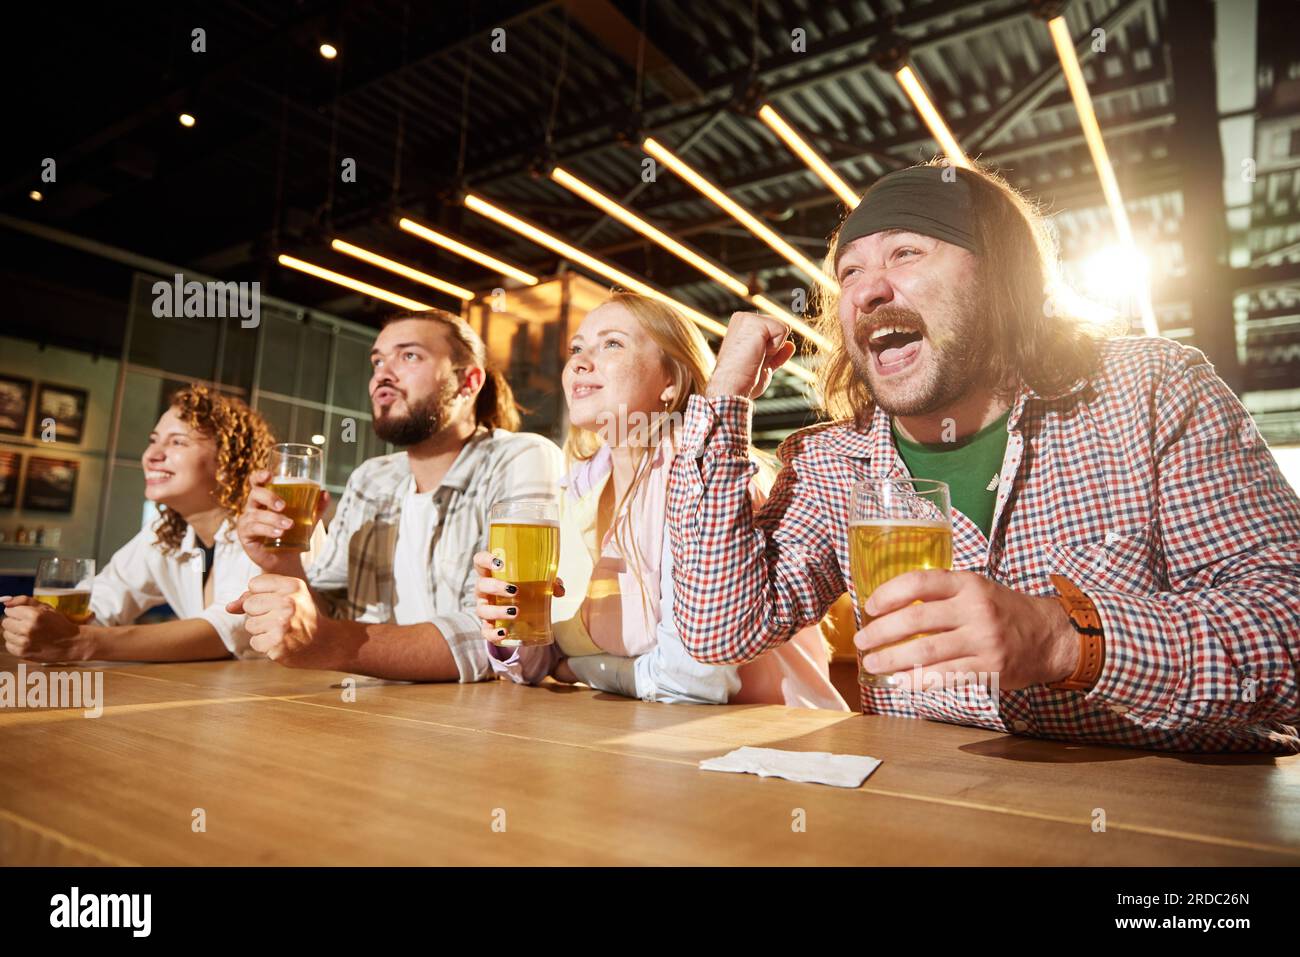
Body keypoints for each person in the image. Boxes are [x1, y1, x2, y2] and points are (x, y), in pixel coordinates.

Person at [666, 159, 1300, 751]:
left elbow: (1285, 625)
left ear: (1000, 273)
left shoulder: (1152, 392)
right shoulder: (833, 459)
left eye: (906, 252)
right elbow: (719, 628)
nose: (865, 292)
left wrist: (1066, 642)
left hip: (1174, 826)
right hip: (941, 818)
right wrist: (725, 397)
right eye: (849, 272)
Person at [472, 290, 847, 709]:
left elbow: (693, 681)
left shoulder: (704, 478)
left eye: (612, 343)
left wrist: (578, 669)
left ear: (670, 382)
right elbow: (539, 661)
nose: (579, 360)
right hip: (664, 742)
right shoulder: (576, 491)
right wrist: (510, 628)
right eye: (577, 348)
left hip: (777, 743)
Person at [229, 308, 565, 683]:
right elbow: (329, 611)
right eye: (377, 361)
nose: (381, 375)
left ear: (468, 382)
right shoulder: (370, 479)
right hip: (372, 707)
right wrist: (284, 561)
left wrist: (331, 643)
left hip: (474, 719)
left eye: (409, 356)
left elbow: (507, 635)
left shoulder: (519, 457)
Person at [2, 385, 288, 661]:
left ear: (227, 463)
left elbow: (227, 632)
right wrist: (42, 621)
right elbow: (104, 602)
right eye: (153, 440)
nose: (151, 455)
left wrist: (81, 643)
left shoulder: (265, 527)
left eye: (177, 442)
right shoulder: (164, 533)